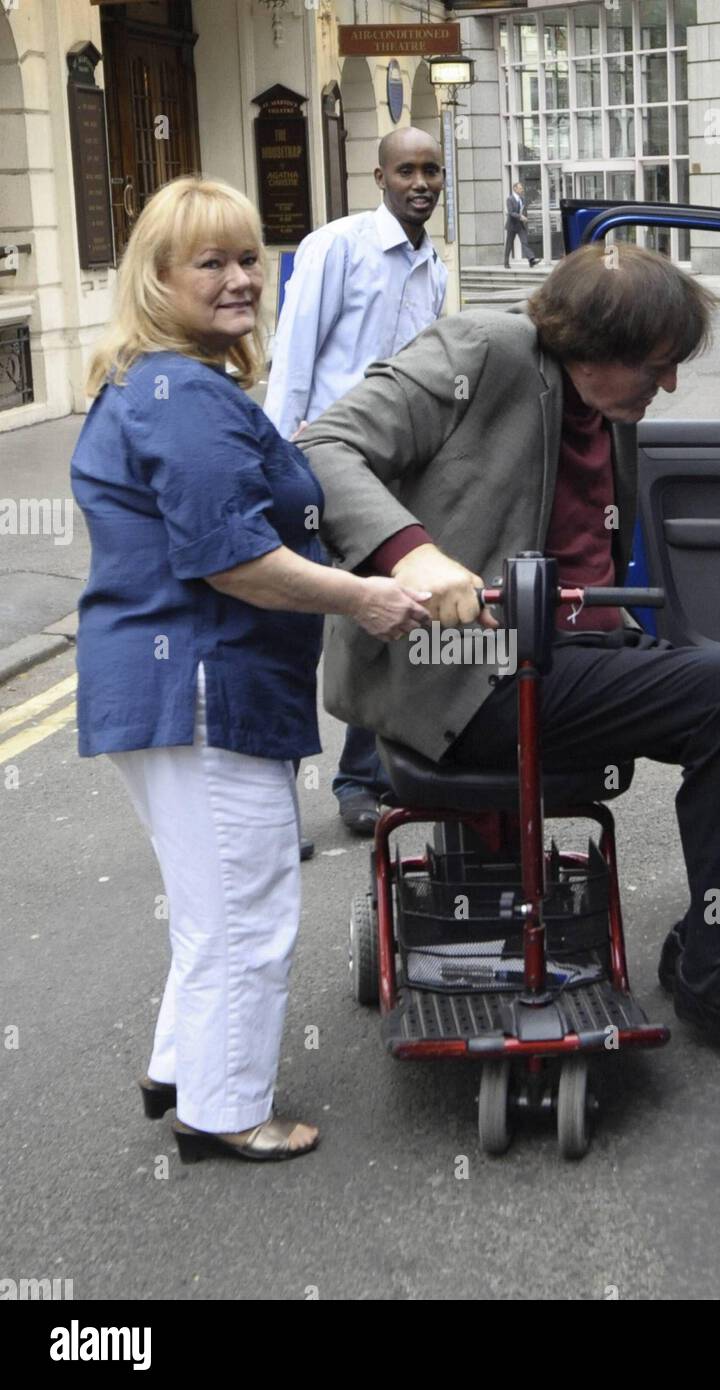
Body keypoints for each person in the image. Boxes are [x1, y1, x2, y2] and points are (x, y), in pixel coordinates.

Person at [297, 242, 720, 1070]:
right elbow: (320, 446)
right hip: (465, 669)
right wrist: (413, 554)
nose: (667, 386)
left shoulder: (604, 409)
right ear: (597, 350)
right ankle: (718, 972)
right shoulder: (481, 349)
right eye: (657, 367)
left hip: (558, 656)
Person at [70, 176, 430, 1163]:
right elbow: (228, 557)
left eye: (247, 260)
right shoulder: (181, 394)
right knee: (250, 906)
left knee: (209, 902)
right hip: (198, 683)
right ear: (156, 278)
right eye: (210, 263)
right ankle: (226, 1111)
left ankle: (184, 1067)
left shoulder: (162, 378)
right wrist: (366, 597)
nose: (240, 281)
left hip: (165, 683)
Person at [264, 128, 447, 837]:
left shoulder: (431, 264)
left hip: (391, 471)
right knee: (298, 628)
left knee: (386, 614)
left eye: (432, 170)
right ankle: (273, 806)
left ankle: (361, 779)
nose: (421, 182)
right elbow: (293, 358)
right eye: (407, 170)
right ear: (380, 176)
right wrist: (279, 466)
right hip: (319, 463)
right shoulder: (336, 247)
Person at [504, 182, 538, 269]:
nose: (521, 189)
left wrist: (525, 218)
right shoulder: (510, 199)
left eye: (521, 188)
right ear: (514, 189)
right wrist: (520, 217)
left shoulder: (522, 199)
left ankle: (531, 260)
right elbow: (511, 212)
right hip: (512, 225)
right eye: (520, 188)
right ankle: (506, 262)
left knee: (525, 242)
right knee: (509, 244)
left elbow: (524, 210)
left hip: (520, 225)